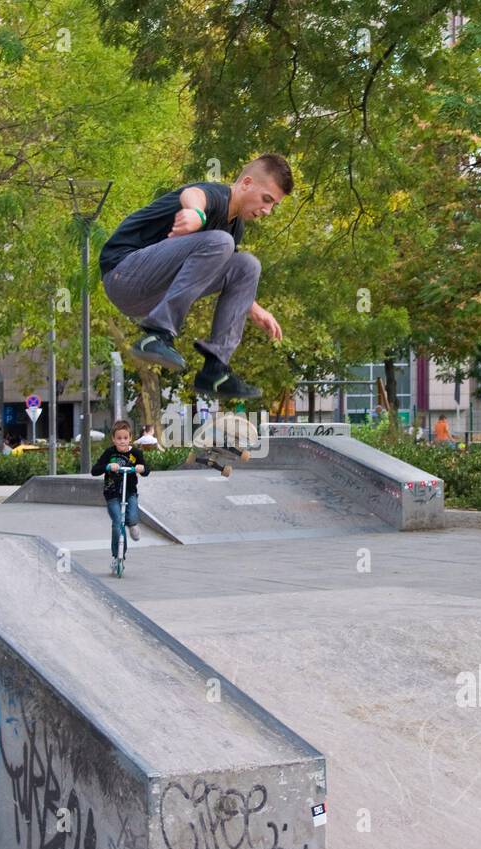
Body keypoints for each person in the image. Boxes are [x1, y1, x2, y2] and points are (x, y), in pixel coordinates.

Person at [99, 154, 294, 400]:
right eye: (266, 199)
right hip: (123, 274)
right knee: (221, 242)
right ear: (246, 183)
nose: (267, 210)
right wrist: (196, 213)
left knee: (247, 265)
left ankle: (215, 369)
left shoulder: (236, 228)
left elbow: (226, 273)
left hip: (152, 294)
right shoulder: (216, 195)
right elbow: (193, 194)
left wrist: (254, 308)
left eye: (273, 205)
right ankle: (157, 335)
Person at [90, 420, 149, 562]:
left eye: (125, 438)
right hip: (112, 493)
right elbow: (94, 470)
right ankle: (117, 555)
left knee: (133, 516)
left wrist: (142, 468)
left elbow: (146, 470)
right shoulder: (109, 452)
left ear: (130, 438)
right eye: (119, 438)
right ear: (113, 439)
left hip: (129, 492)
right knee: (117, 523)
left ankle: (133, 524)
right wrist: (108, 466)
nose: (122, 442)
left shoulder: (136, 453)